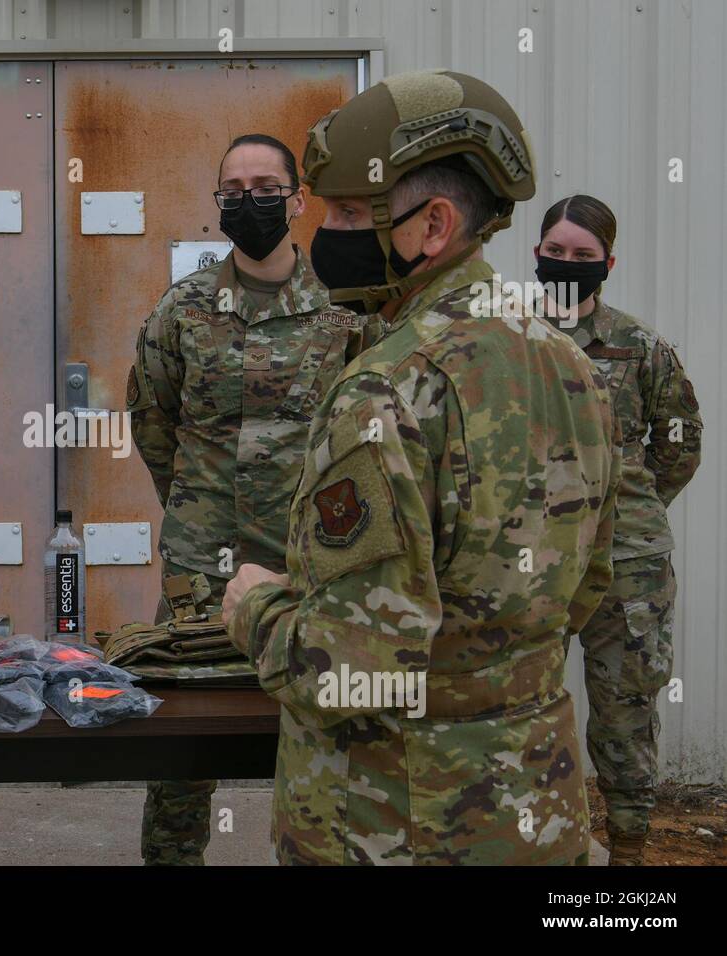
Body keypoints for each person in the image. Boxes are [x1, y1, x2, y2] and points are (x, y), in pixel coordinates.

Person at [222, 70, 622, 865]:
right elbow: (588, 584)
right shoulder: (571, 365)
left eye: (343, 214)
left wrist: (253, 608)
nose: (322, 234)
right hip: (535, 811)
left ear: (432, 226)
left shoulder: (387, 386)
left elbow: (349, 670)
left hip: (394, 820)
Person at [127, 133, 363, 865]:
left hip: (313, 559)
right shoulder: (185, 307)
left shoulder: (346, 305)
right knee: (182, 743)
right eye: (232, 187)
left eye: (265, 185)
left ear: (297, 199)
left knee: (324, 724)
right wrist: (198, 502)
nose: (247, 199)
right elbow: (153, 419)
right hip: (203, 559)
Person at [533, 195, 702, 864]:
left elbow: (681, 441)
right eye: (556, 253)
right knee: (522, 705)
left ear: (608, 263)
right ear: (537, 255)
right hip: (527, 561)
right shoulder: (507, 338)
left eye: (583, 256)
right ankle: (538, 842)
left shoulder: (640, 346)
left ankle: (627, 852)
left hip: (628, 563)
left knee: (625, 708)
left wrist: (632, 504)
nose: (567, 265)